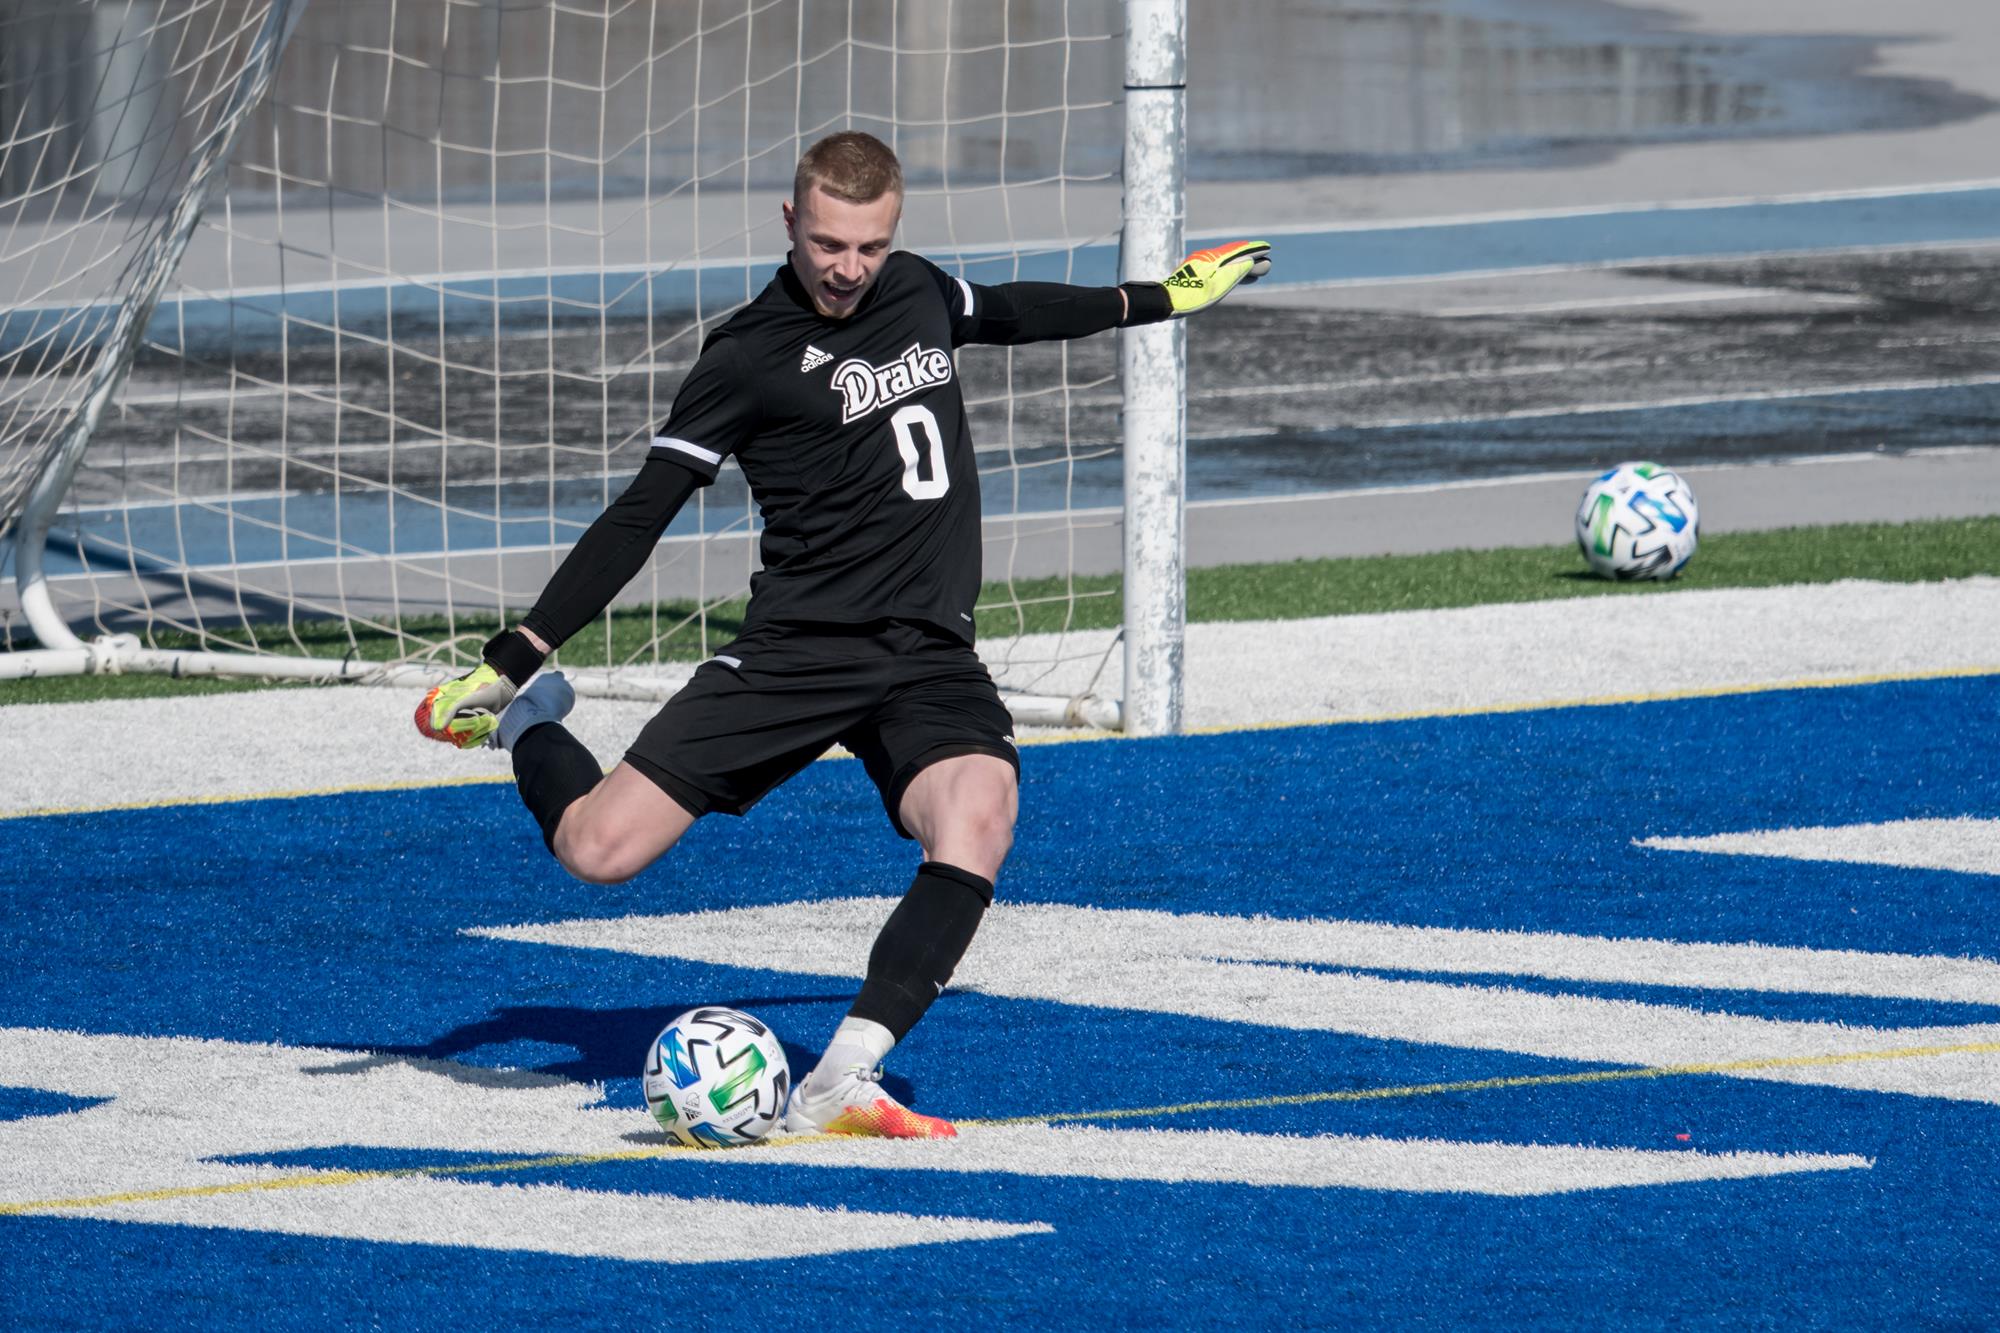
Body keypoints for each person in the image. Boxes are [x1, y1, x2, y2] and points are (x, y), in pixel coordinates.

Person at [417, 131, 1270, 1139]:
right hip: (799, 650)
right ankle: (528, 725)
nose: (846, 268)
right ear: (790, 222)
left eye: (867, 246)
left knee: (980, 814)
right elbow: (640, 512)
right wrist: (515, 659)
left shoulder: (914, 291)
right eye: (826, 243)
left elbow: (1012, 310)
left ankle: (844, 1074)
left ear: (892, 230)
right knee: (598, 851)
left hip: (923, 652)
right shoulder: (743, 356)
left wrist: (1160, 297)